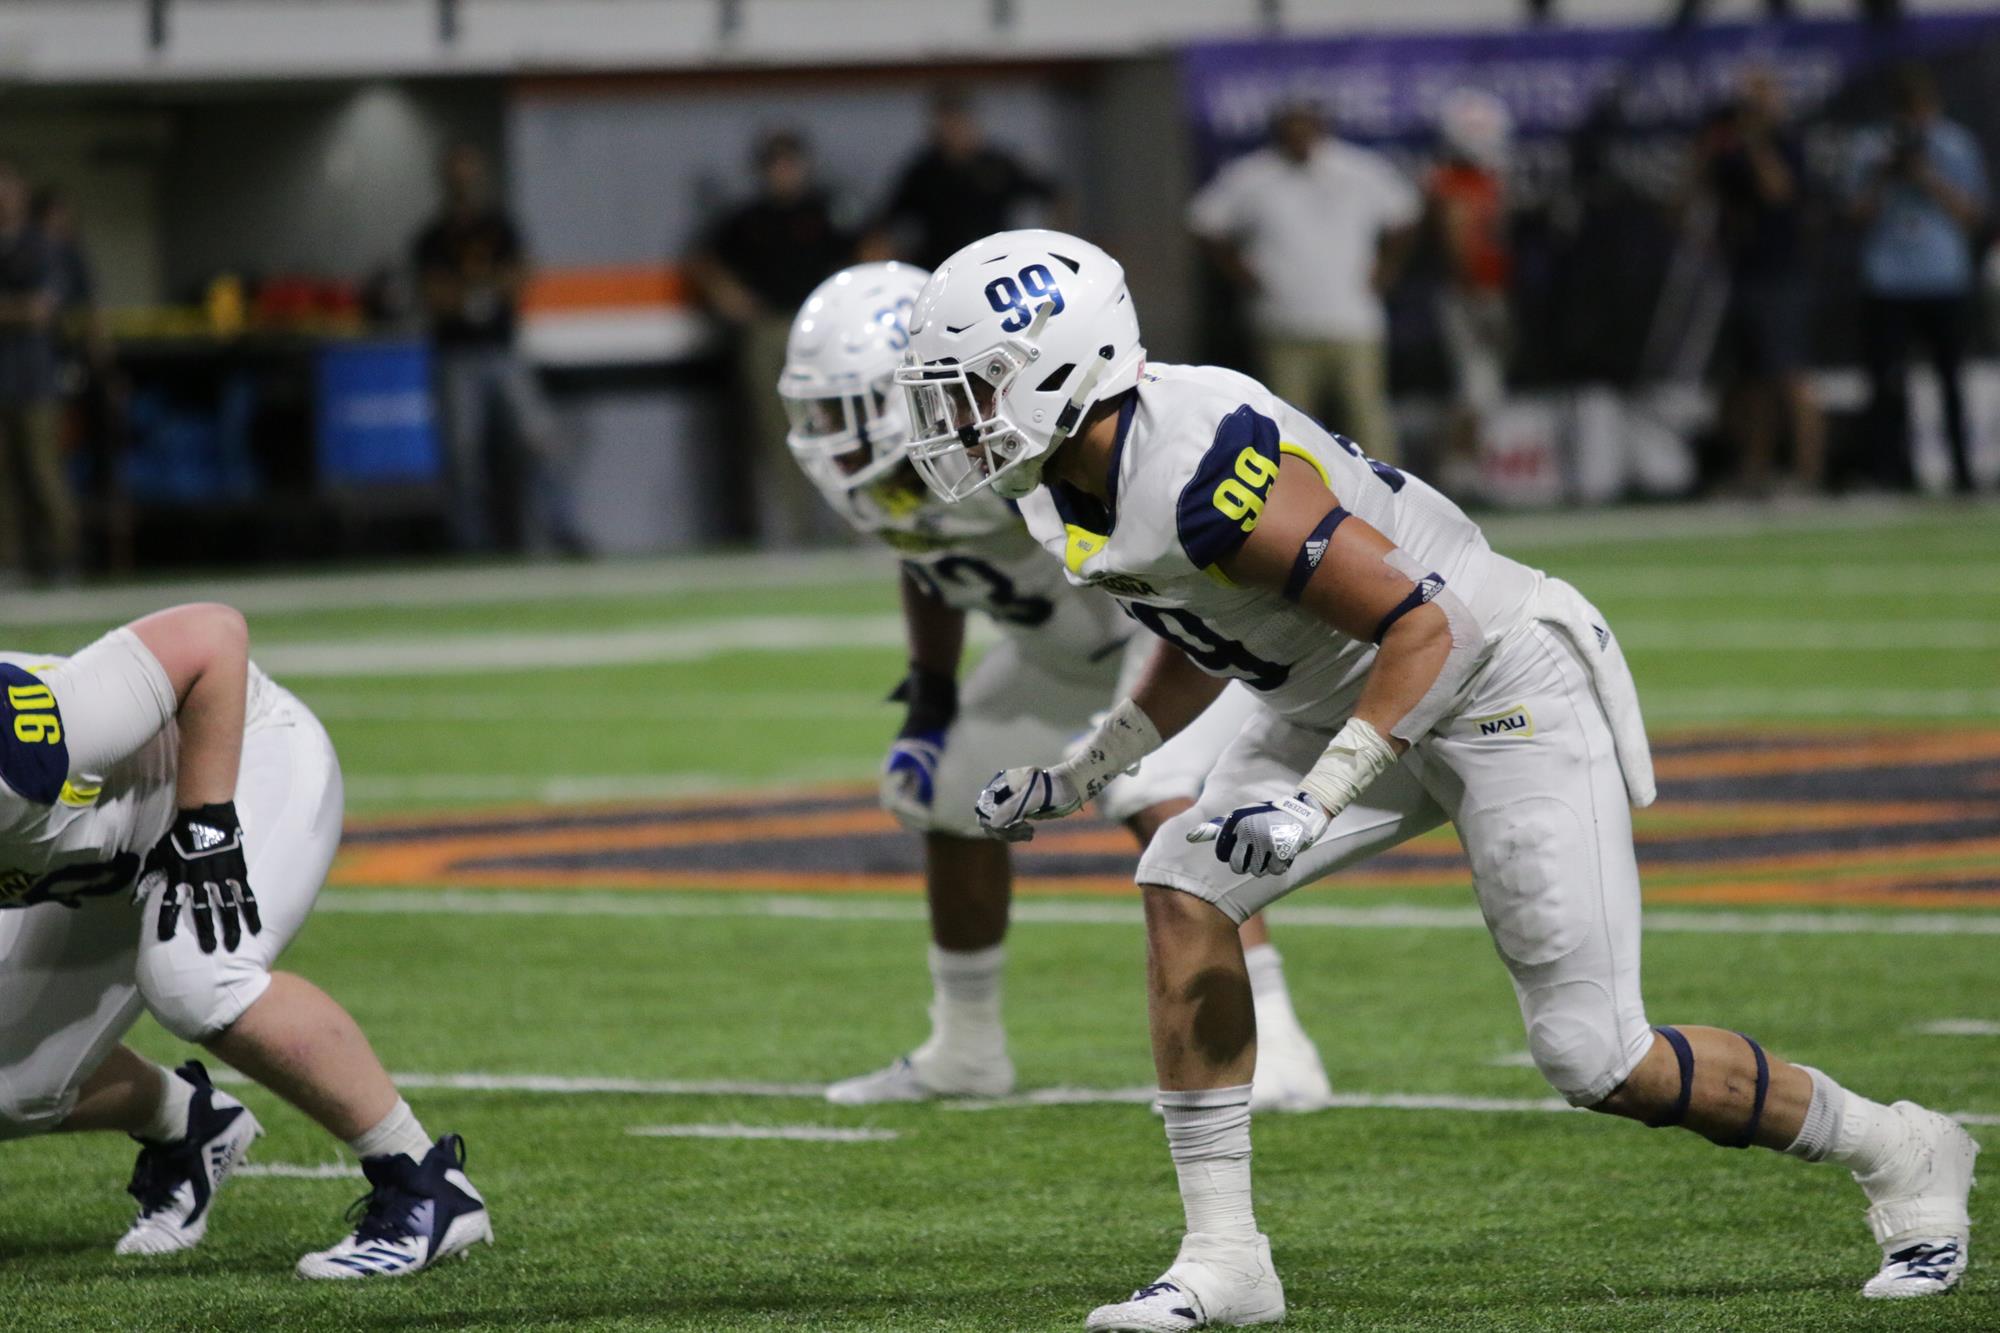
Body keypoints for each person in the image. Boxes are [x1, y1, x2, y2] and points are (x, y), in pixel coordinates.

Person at [895, 229, 1978, 1327]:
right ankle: (1226, 1258)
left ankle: (1900, 1145)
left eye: (974, 387)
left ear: (1060, 367)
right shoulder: (1068, 482)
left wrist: (1314, 798)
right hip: (1335, 692)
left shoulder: (1199, 465)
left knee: (1597, 1057)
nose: (956, 421)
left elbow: (1429, 623)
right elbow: (1198, 622)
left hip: (1494, 681)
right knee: (1182, 880)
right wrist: (1086, 770)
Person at [778, 262, 1331, 1111]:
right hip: (1053, 650)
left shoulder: (1006, 443)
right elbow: (926, 562)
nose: (828, 438)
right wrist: (929, 700)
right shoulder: (898, 471)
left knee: (1156, 788)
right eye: (814, 414)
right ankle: (965, 1049)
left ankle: (1283, 1044)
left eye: (840, 412)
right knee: (956, 792)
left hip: (1160, 633)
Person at [1, 604, 491, 1278]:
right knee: (10, 1088)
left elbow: (210, 634)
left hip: (233, 764)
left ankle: (424, 1184)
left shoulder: (26, 737)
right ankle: (192, 1125)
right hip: (91, 862)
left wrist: (205, 826)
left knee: (196, 974)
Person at [1188, 100, 1419, 462]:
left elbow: (1405, 214)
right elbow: (1205, 222)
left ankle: (1388, 491)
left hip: (1353, 318)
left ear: (1321, 128)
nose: (1299, 138)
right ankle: (1295, 496)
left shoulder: (1357, 169)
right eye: (1290, 129)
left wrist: (1387, 267)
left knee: (1366, 413)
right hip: (1282, 320)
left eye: (1305, 128)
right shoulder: (1253, 175)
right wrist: (1238, 270)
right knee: (1287, 420)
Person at [692, 130, 855, 547]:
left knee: (842, 426)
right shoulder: (749, 218)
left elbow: (865, 248)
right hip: (769, 328)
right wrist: (730, 297)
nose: (784, 172)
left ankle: (852, 525)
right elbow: (706, 262)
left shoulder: (824, 210)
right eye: (776, 164)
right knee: (779, 432)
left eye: (790, 162)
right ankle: (793, 531)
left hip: (821, 327)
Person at [414, 143, 566, 550]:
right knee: (464, 455)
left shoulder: (500, 227)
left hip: (503, 350)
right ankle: (471, 546)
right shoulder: (434, 236)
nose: (464, 180)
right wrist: (480, 291)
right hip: (456, 354)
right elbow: (435, 296)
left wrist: (477, 290)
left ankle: (552, 535)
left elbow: (523, 276)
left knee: (540, 440)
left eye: (470, 170)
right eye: (456, 172)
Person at [1848, 67, 1988, 495]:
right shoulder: (1871, 146)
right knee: (1887, 382)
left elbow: (1973, 215)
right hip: (1887, 277)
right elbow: (1853, 214)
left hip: (1943, 276)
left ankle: (1963, 472)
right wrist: (1884, 176)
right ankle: (1892, 473)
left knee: (1951, 379)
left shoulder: (1954, 144)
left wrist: (1928, 178)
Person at [1697, 69, 1825, 497]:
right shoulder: (1729, 148)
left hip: (1781, 271)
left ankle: (1809, 475)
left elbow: (1778, 192)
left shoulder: (1786, 143)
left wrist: (1755, 142)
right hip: (1746, 272)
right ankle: (1755, 471)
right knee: (1753, 381)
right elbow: (1699, 197)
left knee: (1791, 376)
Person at [1426, 89, 1515, 493]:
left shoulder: (1481, 179)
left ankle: (1466, 470)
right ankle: (1455, 474)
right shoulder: (1454, 182)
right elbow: (1457, 242)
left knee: (1484, 389)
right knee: (1476, 389)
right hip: (1470, 296)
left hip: (1482, 291)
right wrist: (1476, 296)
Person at [872, 91, 1063, 271]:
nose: (953, 130)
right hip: (940, 267)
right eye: (946, 123)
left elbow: (1055, 195)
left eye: (958, 121)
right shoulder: (922, 171)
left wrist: (1053, 247)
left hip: (997, 262)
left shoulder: (1000, 163)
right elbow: (887, 220)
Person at [0, 162, 78, 583]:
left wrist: (16, 310)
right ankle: (8, 564)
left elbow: (41, 310)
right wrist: (19, 309)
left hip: (35, 379)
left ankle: (62, 558)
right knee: (2, 481)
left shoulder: (42, 246)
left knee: (43, 471)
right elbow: (25, 309)